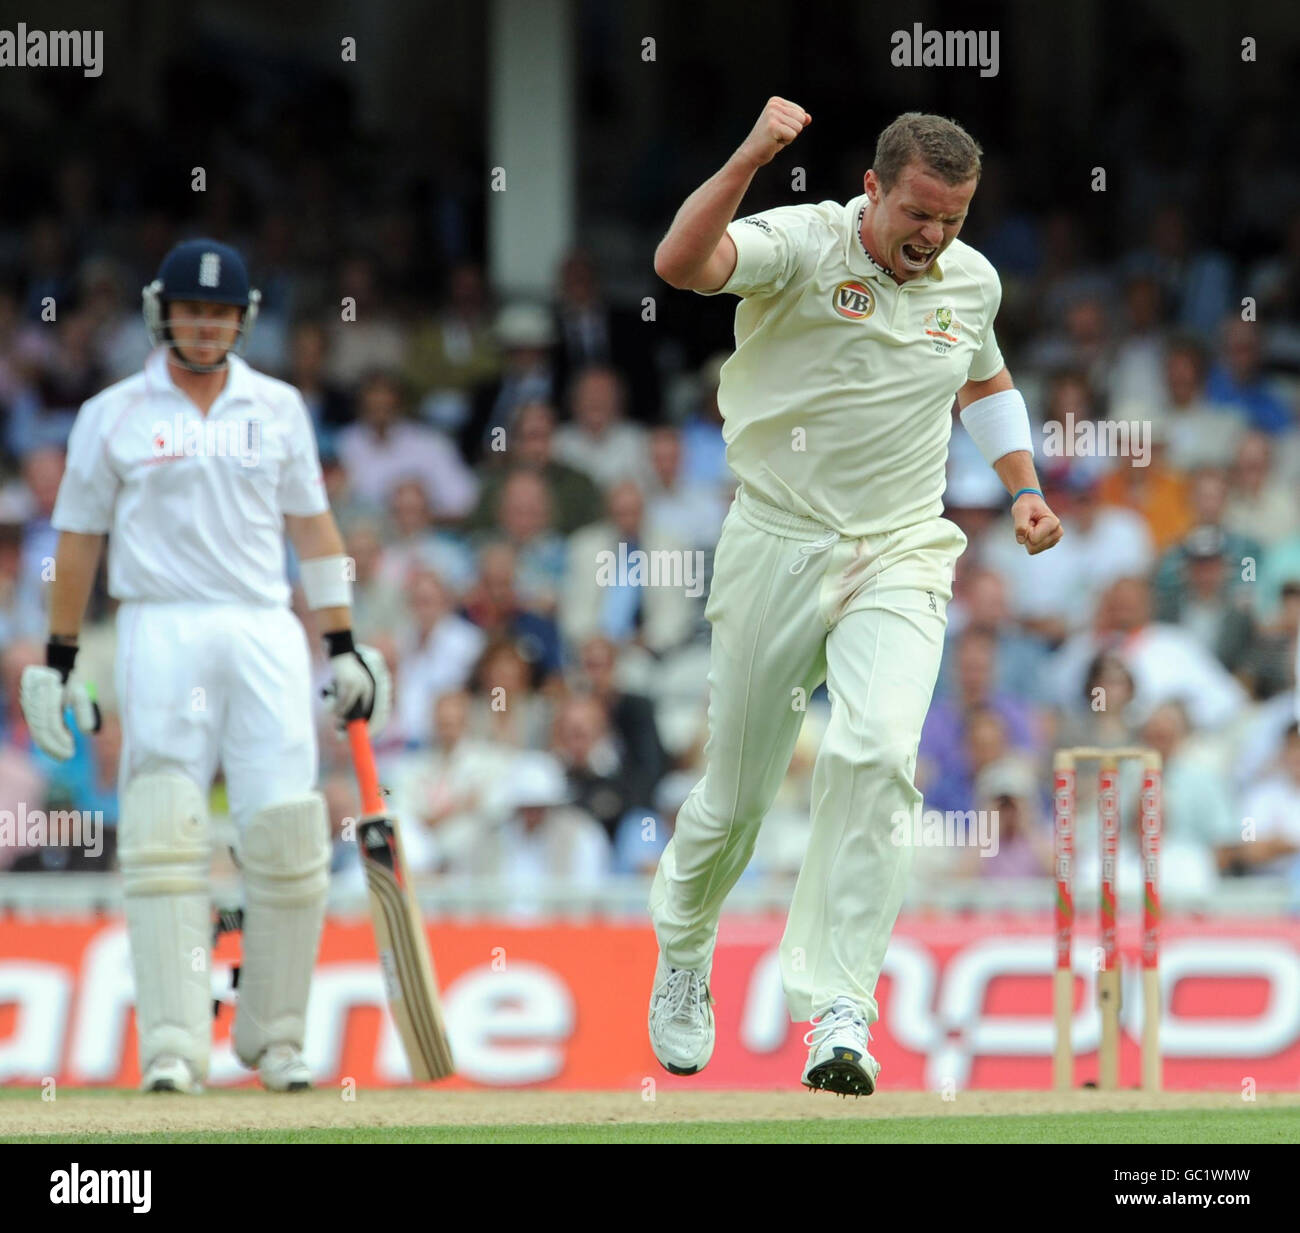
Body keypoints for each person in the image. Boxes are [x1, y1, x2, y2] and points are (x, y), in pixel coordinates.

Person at [647, 104, 1062, 1095]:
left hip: (903, 550)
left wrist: (1024, 486)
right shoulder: (799, 242)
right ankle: (684, 946)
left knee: (875, 754)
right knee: (737, 797)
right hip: (776, 543)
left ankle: (840, 1006)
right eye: (917, 213)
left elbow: (984, 377)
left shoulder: (970, 279)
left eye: (953, 220)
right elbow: (679, 264)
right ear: (872, 189)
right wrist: (750, 153)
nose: (933, 237)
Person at [18, 239, 392, 1094]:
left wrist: (343, 642)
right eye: (192, 309)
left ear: (244, 318)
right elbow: (78, 543)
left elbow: (315, 533)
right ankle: (174, 1048)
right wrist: (60, 658)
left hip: (263, 627)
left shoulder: (281, 407)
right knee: (163, 835)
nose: (206, 324)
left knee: (290, 833)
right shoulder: (111, 413)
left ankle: (280, 1036)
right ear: (162, 311)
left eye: (221, 312)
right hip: (161, 624)